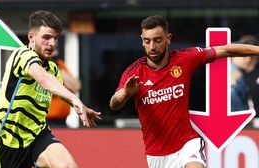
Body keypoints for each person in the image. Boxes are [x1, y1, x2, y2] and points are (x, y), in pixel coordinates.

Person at [109, 15, 259, 168]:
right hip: (156, 155)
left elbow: (226, 50)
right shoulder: (134, 72)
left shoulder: (184, 60)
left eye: (157, 40)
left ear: (168, 38)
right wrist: (125, 94)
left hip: (187, 144)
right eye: (147, 41)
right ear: (142, 40)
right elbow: (114, 104)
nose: (152, 46)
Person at [0, 10, 101, 168]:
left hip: (37, 134)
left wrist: (78, 105)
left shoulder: (53, 68)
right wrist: (75, 100)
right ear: (31, 37)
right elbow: (43, 79)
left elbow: (62, 88)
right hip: (8, 141)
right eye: (46, 37)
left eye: (55, 38)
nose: (52, 43)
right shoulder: (22, 55)